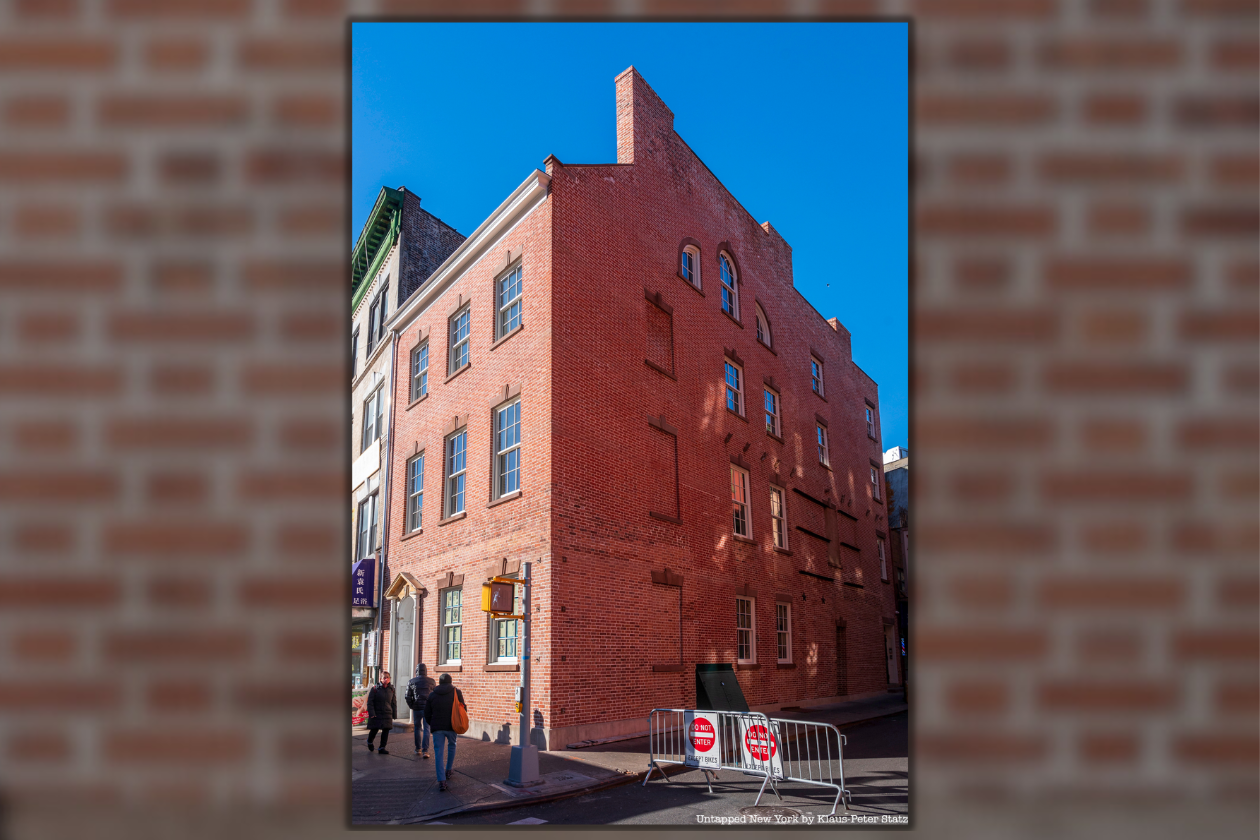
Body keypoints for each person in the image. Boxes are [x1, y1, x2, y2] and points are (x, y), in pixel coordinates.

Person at [422, 673, 465, 791]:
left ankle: (441, 781)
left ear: (439, 682)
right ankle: (449, 769)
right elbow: (463, 708)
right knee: (452, 746)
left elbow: (426, 713)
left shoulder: (432, 695)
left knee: (438, 753)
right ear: (450, 682)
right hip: (452, 726)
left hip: (437, 728)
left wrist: (433, 723)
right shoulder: (456, 692)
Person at [404, 663, 435, 758]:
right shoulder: (432, 681)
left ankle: (418, 749)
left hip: (417, 708)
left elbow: (407, 696)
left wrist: (412, 706)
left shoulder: (411, 681)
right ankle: (425, 751)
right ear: (425, 671)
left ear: (416, 671)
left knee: (417, 728)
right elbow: (434, 695)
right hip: (427, 708)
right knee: (427, 728)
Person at [365, 671, 397, 754]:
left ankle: (382, 747)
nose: (386, 679)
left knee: (386, 731)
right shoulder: (375, 689)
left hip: (387, 713)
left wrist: (394, 714)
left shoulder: (392, 689)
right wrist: (372, 713)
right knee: (374, 730)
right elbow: (370, 702)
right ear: (380, 679)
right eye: (384, 677)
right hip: (377, 713)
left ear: (389, 679)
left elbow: (393, 702)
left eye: (387, 677)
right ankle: (369, 741)